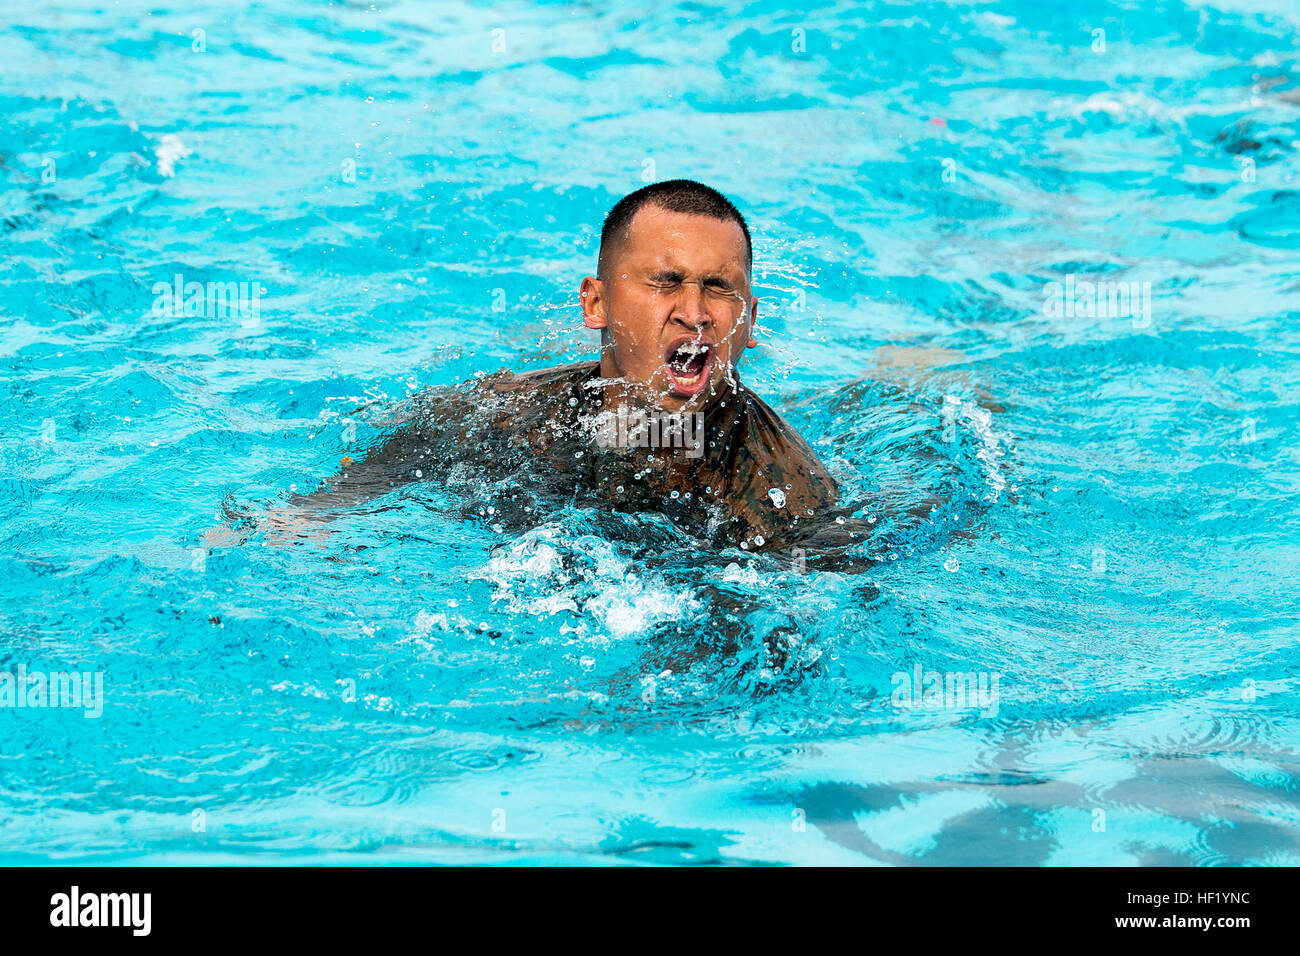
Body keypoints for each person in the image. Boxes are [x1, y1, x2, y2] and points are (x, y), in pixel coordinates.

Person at [216, 179, 867, 559]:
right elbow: (360, 486)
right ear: (596, 303)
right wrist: (300, 522)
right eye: (664, 283)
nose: (693, 314)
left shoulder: (787, 500)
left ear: (748, 322)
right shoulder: (496, 410)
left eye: (718, 290)